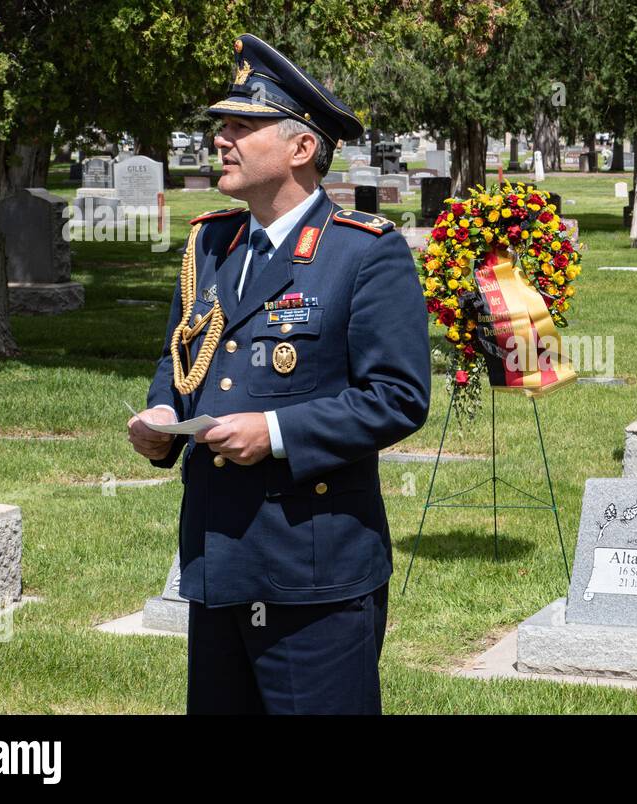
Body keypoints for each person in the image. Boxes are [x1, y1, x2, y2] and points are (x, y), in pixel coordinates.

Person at [126, 33, 431, 714]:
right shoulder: (211, 242)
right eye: (221, 126)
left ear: (300, 148)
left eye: (242, 125)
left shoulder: (364, 254)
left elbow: (398, 397)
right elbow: (183, 357)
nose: (222, 140)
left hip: (311, 569)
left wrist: (274, 430)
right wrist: (160, 419)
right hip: (217, 554)